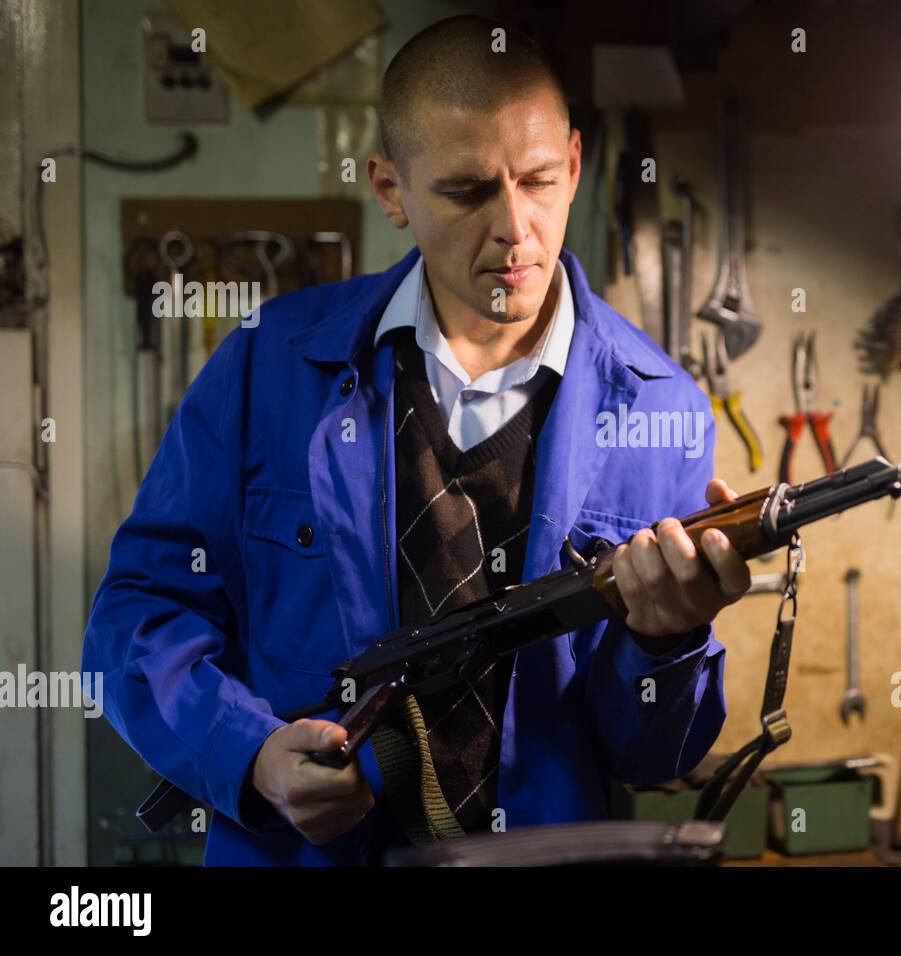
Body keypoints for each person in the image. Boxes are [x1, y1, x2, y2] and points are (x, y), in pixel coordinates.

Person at [83, 15, 748, 866]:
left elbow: (654, 756)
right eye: (469, 192)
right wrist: (249, 756)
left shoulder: (661, 409)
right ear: (391, 190)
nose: (516, 228)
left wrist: (669, 642)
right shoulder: (267, 366)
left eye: (540, 180)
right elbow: (139, 616)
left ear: (576, 166)